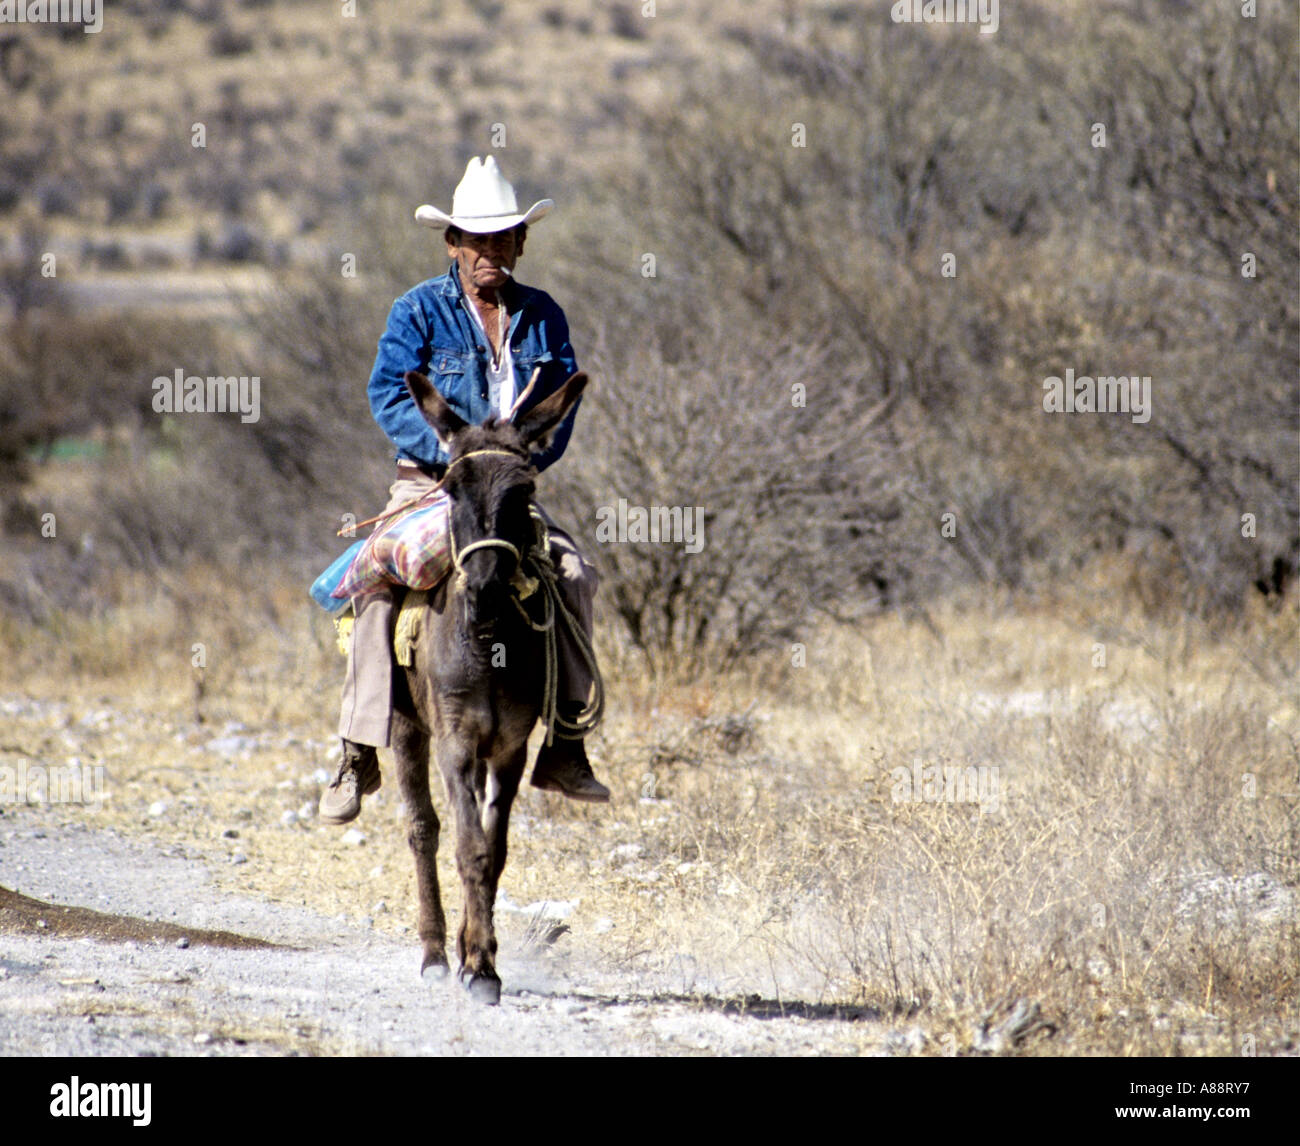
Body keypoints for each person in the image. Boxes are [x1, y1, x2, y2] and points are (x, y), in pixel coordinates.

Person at [320, 156, 610, 824]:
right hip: (431, 485)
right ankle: (357, 750)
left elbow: (559, 411)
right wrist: (453, 452)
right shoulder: (417, 311)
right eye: (476, 240)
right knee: (377, 586)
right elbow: (388, 393)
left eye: (503, 238)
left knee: (573, 573)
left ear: (521, 244)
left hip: (507, 490)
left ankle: (566, 743)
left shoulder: (543, 317)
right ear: (452, 244)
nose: (490, 252)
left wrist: (516, 462)